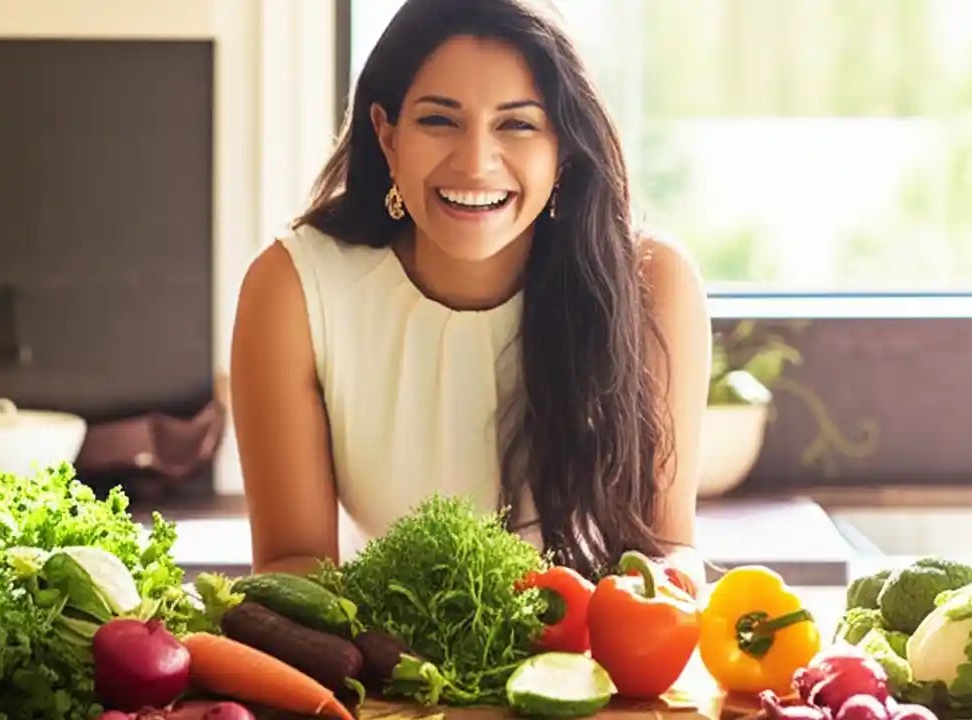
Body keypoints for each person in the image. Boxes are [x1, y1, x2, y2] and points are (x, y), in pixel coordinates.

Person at [229, 0, 712, 583]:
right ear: (388, 137)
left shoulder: (655, 283)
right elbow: (292, 567)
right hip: (390, 661)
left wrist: (658, 595)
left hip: (597, 658)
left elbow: (667, 546)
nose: (476, 163)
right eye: (439, 120)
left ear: (561, 148)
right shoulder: (293, 289)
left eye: (518, 124)